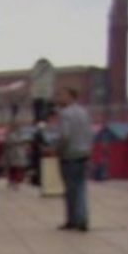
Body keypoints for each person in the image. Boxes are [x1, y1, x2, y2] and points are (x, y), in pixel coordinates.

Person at [55, 87, 92, 231]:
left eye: (61, 95)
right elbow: (89, 133)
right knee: (81, 187)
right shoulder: (84, 112)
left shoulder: (65, 114)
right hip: (83, 154)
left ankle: (72, 220)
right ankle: (82, 218)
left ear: (70, 96)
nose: (59, 98)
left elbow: (65, 135)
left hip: (69, 154)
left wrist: (58, 149)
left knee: (70, 188)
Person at [2, 125, 29, 190]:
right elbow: (8, 143)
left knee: (16, 169)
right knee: (13, 169)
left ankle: (15, 182)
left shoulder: (20, 135)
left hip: (18, 156)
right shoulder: (10, 136)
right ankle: (12, 182)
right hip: (12, 155)